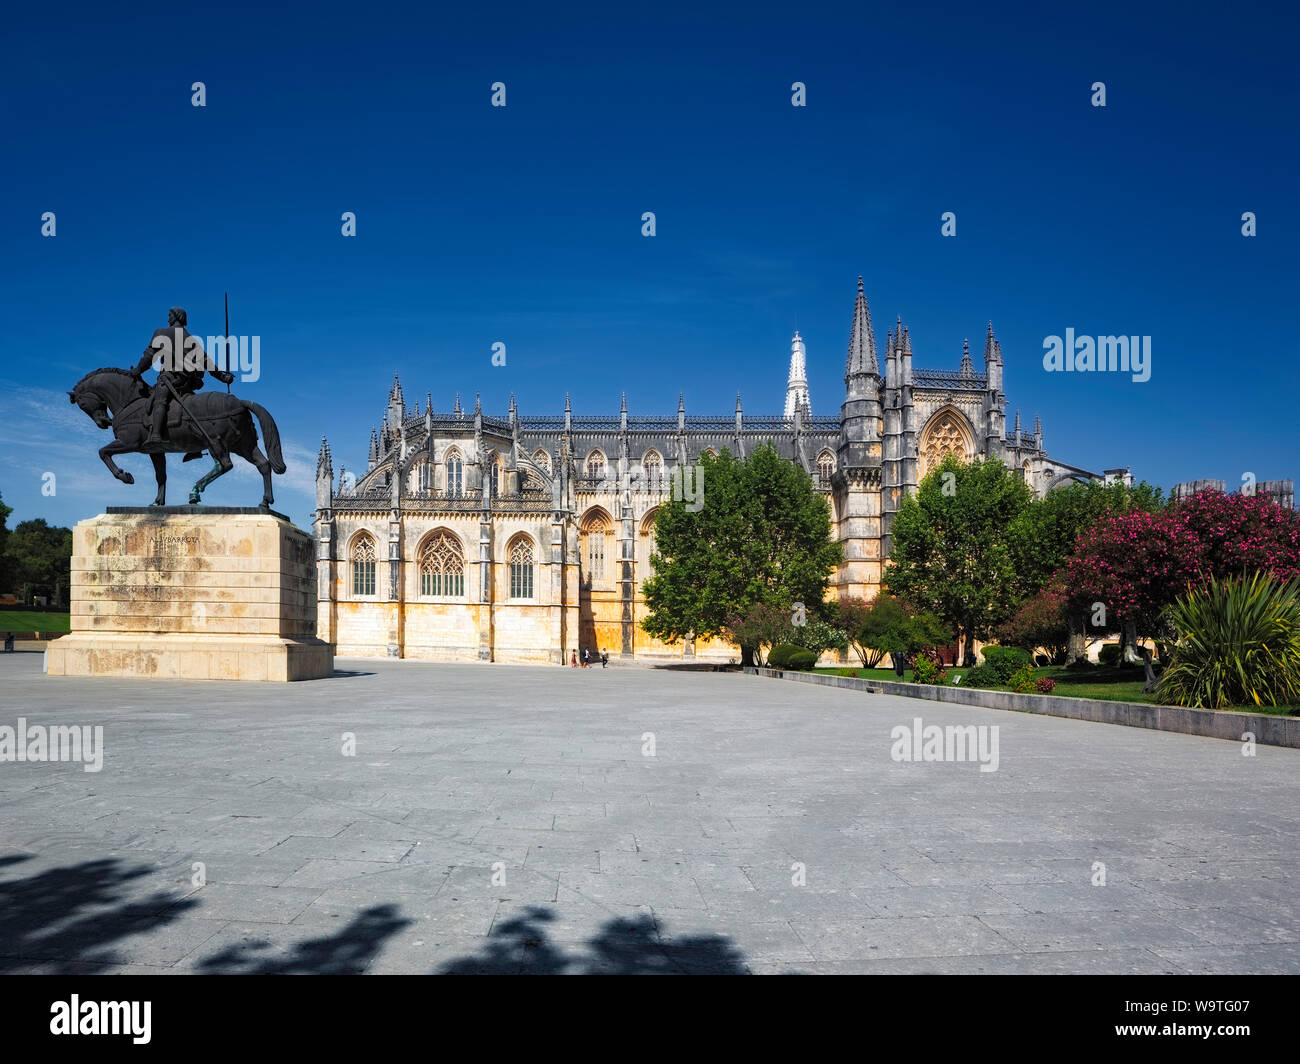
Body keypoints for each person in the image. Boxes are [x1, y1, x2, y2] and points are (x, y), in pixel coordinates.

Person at [132, 306, 234, 446]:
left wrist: (137, 370)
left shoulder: (162, 332)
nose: (168, 318)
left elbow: (149, 356)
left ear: (176, 316)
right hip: (186, 383)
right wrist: (223, 377)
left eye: (169, 315)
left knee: (160, 401)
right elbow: (206, 362)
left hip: (170, 378)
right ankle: (196, 447)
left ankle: (155, 435)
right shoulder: (191, 339)